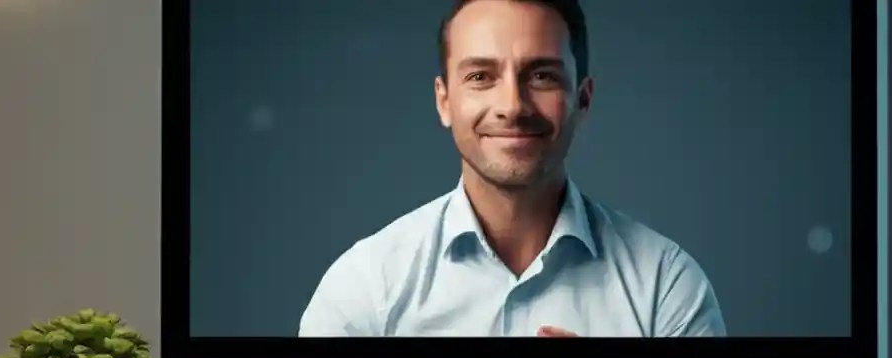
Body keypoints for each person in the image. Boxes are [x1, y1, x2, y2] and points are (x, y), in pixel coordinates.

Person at [299, 0, 725, 338]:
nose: (511, 107)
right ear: (444, 101)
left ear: (584, 99)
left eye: (541, 76)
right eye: (481, 76)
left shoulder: (665, 285)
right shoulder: (364, 286)